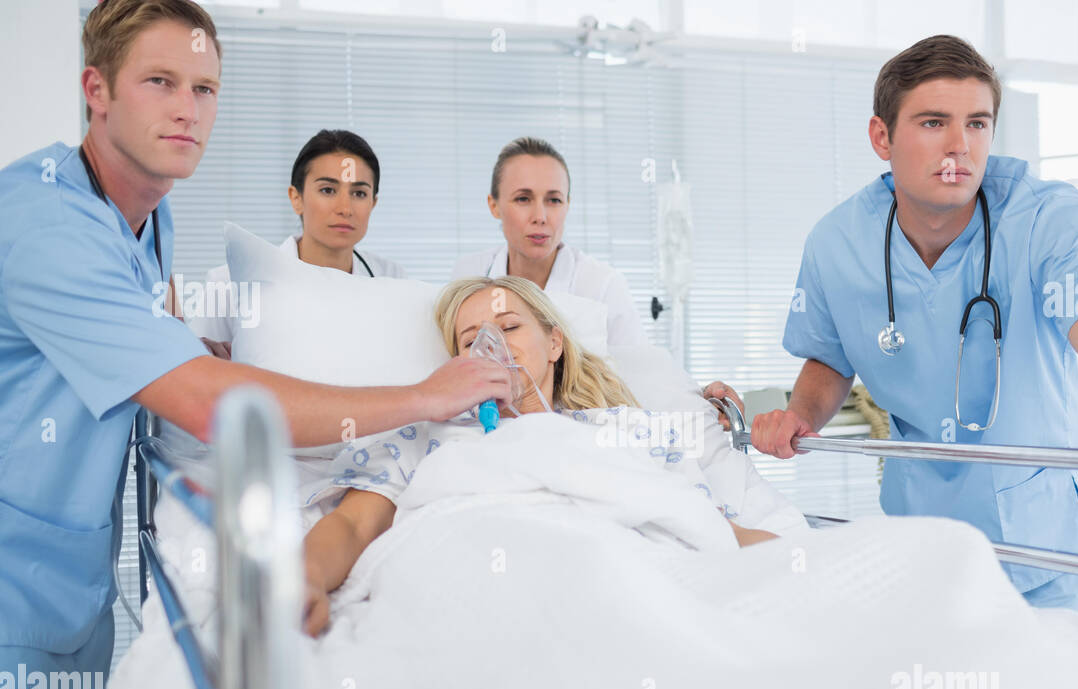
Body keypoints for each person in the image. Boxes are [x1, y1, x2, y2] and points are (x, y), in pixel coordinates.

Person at [0, 0, 510, 689]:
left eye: (205, 88)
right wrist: (425, 397)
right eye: (160, 82)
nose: (187, 109)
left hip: (72, 579)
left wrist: (190, 351)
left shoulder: (147, 212)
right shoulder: (42, 221)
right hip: (15, 584)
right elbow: (210, 404)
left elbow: (150, 354)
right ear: (96, 91)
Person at [749, 34, 1078, 612]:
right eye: (933, 122)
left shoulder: (1047, 217)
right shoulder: (836, 242)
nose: (960, 146)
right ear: (882, 137)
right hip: (917, 532)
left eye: (977, 123)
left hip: (1039, 540)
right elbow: (829, 355)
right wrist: (800, 416)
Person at [302, 276, 780, 637]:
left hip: (616, 585)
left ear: (554, 344)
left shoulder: (630, 428)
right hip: (470, 587)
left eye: (509, 326)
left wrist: (803, 559)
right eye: (472, 341)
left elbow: (704, 527)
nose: (493, 345)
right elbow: (353, 526)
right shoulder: (423, 432)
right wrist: (304, 580)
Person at [451, 136, 744, 420]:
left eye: (553, 200)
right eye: (523, 198)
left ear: (568, 205)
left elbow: (640, 373)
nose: (540, 216)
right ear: (494, 205)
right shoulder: (469, 277)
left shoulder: (601, 284)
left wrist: (696, 401)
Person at [187, 128, 404, 349]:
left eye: (359, 193)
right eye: (328, 190)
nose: (345, 208)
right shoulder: (229, 283)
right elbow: (197, 368)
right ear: (296, 198)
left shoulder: (393, 280)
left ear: (373, 204)